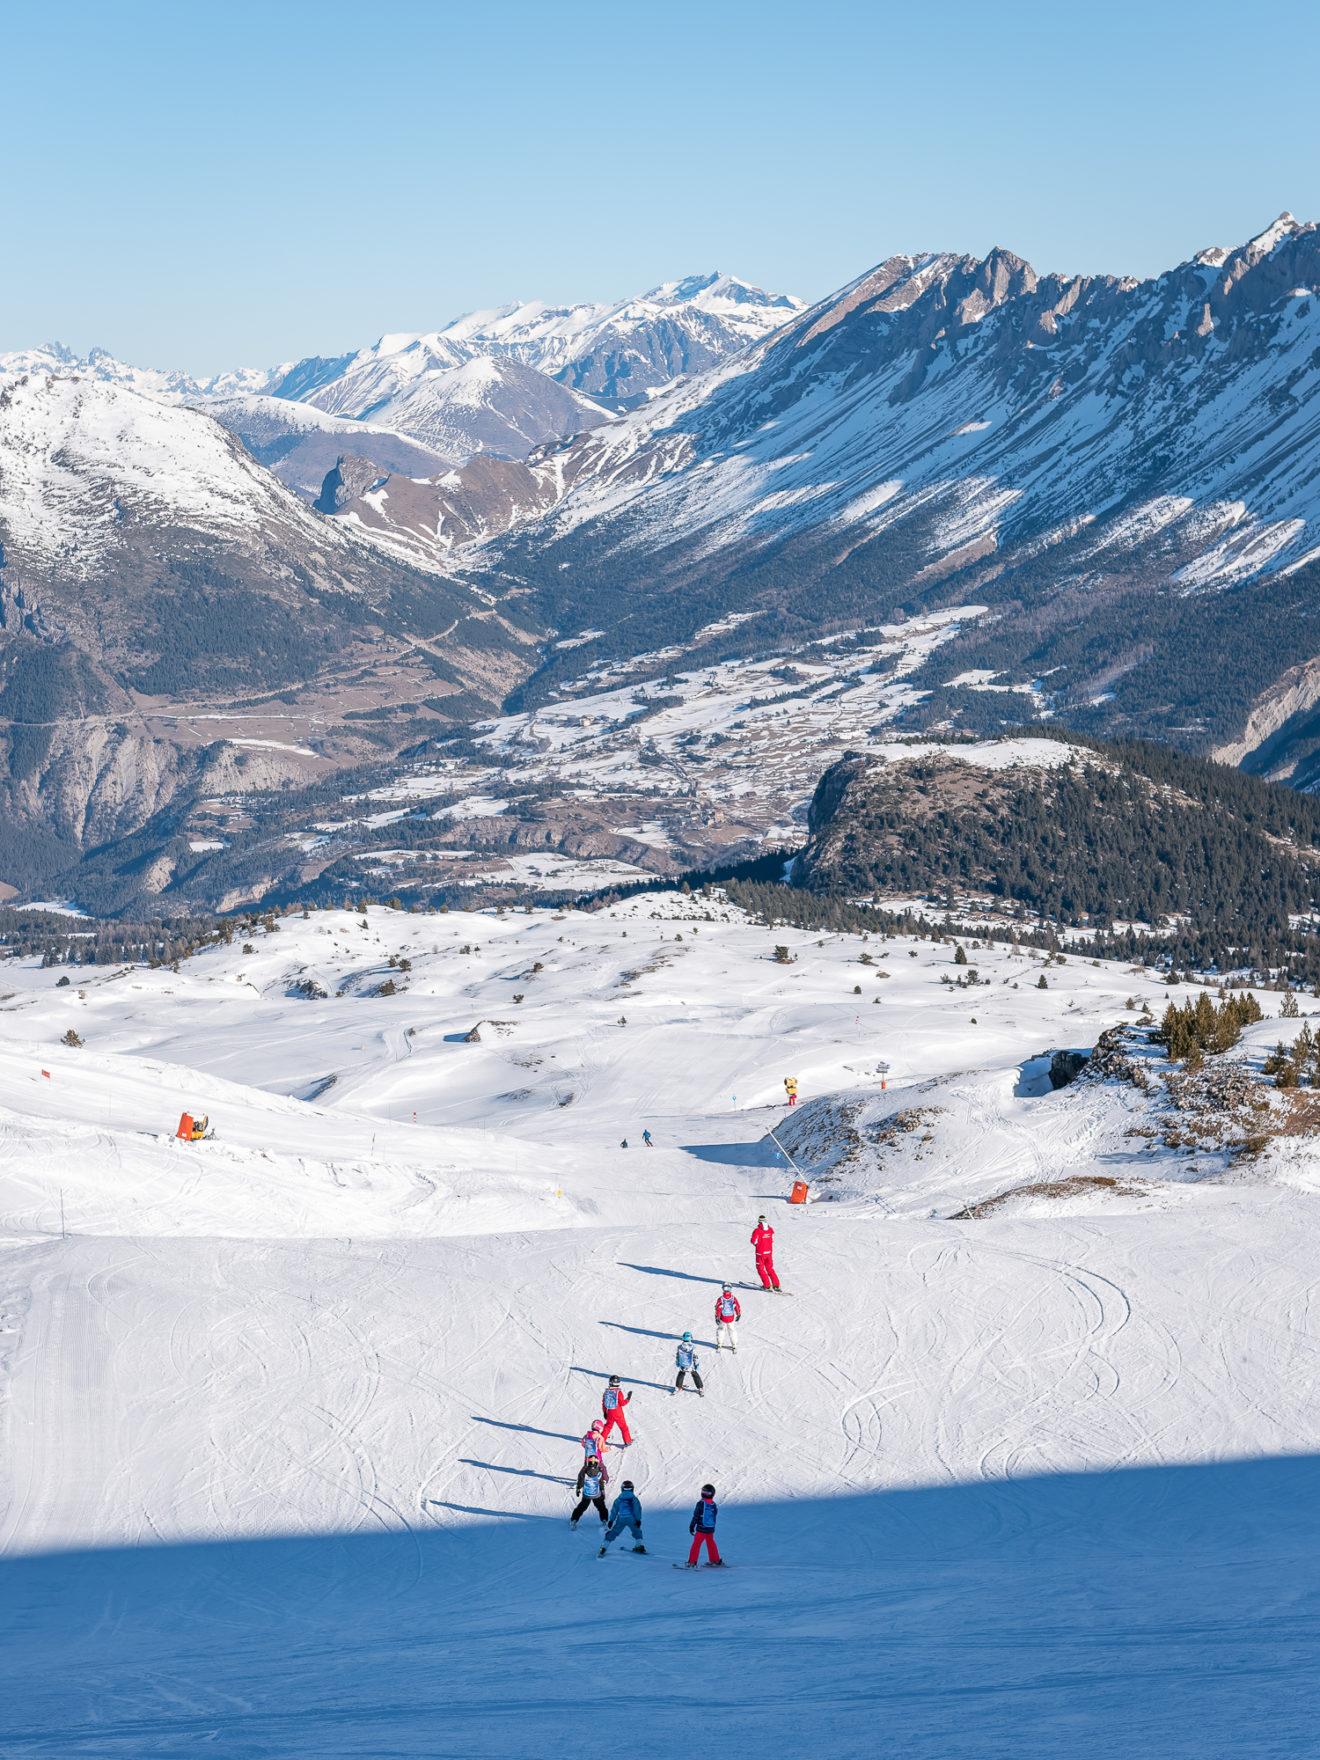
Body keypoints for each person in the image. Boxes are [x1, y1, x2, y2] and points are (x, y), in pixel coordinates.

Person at [599, 1478, 645, 1555]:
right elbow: (637, 1509)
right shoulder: (634, 1499)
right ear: (632, 1489)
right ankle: (639, 1545)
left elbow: (614, 1510)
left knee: (614, 1532)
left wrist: (611, 1520)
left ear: (622, 1489)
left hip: (621, 1519)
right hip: (631, 1518)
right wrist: (638, 1519)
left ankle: (604, 1547)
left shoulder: (619, 1499)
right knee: (637, 1531)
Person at [685, 1482, 724, 1567]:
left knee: (696, 1544)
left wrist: (692, 1526)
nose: (705, 1493)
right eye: (704, 1491)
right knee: (711, 1543)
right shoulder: (713, 1504)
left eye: (707, 1492)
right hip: (710, 1528)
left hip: (701, 1528)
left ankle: (692, 1562)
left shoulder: (701, 1503)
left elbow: (696, 1516)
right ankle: (715, 1560)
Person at [571, 1456, 609, 1528]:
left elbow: (581, 1480)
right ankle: (604, 1520)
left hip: (587, 1494)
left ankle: (574, 1520)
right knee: (601, 1507)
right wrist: (602, 1491)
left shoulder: (584, 1471)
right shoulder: (599, 1472)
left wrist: (578, 1488)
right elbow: (601, 1483)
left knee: (581, 1507)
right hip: (596, 1494)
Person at [751, 1215, 781, 1291]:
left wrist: (758, 1244)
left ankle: (767, 1285)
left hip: (760, 1253)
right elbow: (772, 1239)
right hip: (769, 1253)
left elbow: (753, 1241)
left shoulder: (757, 1230)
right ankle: (776, 1285)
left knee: (760, 1269)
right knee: (769, 1268)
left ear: (759, 1221)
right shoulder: (770, 1229)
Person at [601, 1375, 633, 1445]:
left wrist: (605, 1412)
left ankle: (601, 1440)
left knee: (607, 1427)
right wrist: (628, 1398)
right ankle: (628, 1441)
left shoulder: (606, 1392)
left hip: (610, 1412)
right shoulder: (618, 1392)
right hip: (618, 1413)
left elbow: (604, 1403)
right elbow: (622, 1403)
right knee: (623, 1427)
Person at [674, 1331, 704, 1395]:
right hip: (691, 1365)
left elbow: (678, 1355)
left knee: (681, 1374)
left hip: (682, 1364)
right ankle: (700, 1388)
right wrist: (696, 1364)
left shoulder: (679, 1347)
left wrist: (677, 1362)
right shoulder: (693, 1347)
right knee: (695, 1375)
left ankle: (678, 1387)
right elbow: (695, 1357)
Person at [714, 1285, 741, 1350]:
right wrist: (738, 1314)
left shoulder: (721, 1299)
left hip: (723, 1318)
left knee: (721, 1330)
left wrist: (717, 1317)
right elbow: (737, 1306)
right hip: (730, 1318)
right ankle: (734, 1344)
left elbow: (718, 1308)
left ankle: (720, 1343)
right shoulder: (733, 1298)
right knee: (732, 1331)